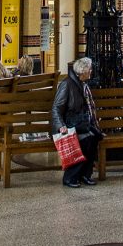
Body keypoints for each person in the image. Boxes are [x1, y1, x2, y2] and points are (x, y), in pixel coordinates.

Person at [51, 56, 100, 187]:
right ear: (82, 71)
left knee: (95, 136)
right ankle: (70, 177)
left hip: (79, 123)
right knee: (85, 139)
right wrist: (60, 126)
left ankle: (85, 174)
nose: (91, 72)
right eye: (89, 69)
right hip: (68, 125)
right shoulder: (67, 84)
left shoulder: (82, 84)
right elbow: (56, 108)